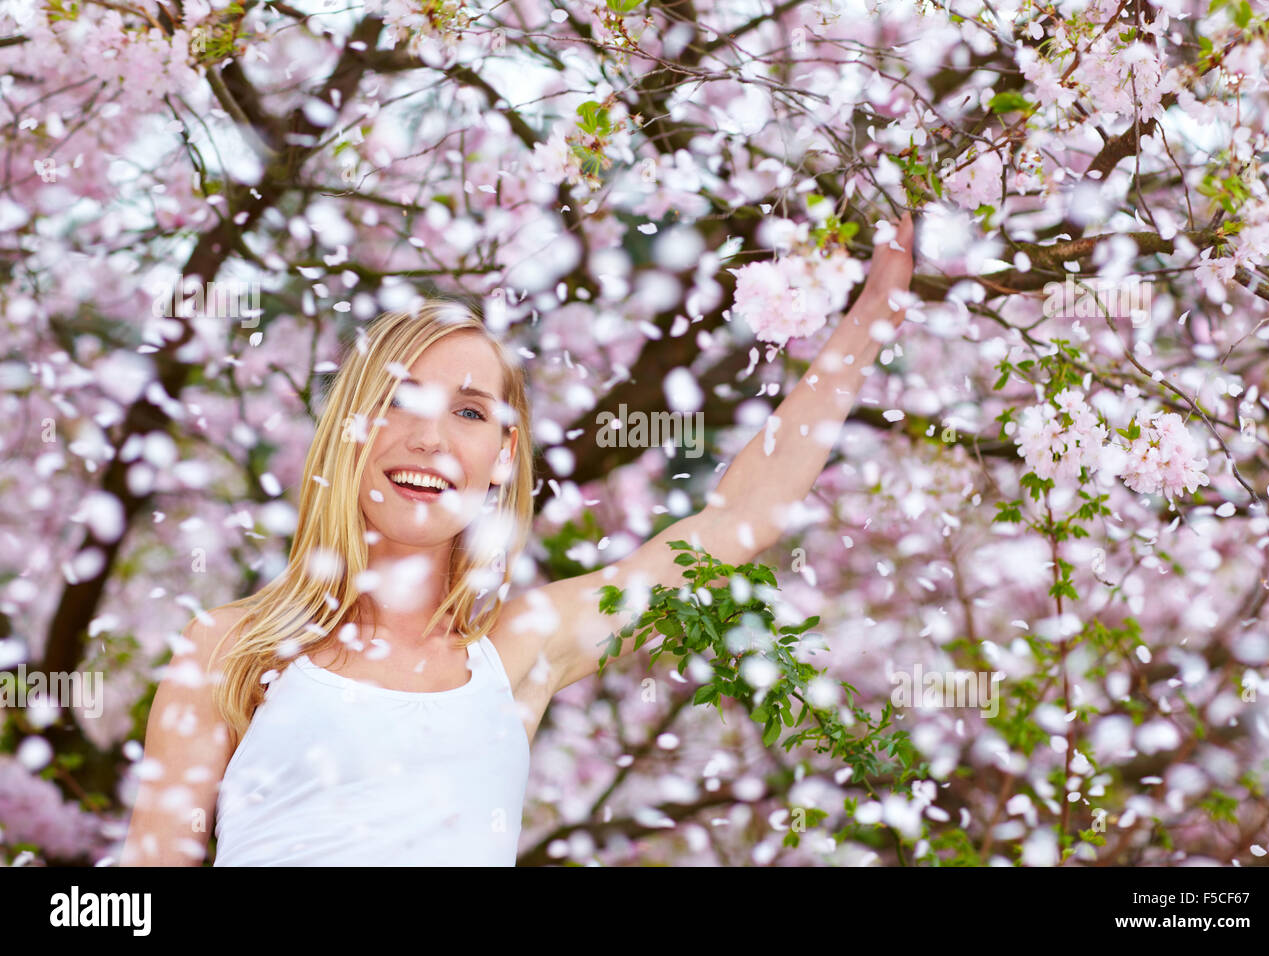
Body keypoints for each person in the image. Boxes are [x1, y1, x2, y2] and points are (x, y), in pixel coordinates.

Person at [119, 212, 916, 866]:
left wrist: (872, 314)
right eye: (403, 400)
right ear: (353, 430)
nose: (431, 439)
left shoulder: (515, 652)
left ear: (501, 459)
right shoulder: (233, 648)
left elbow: (742, 520)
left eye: (469, 412)